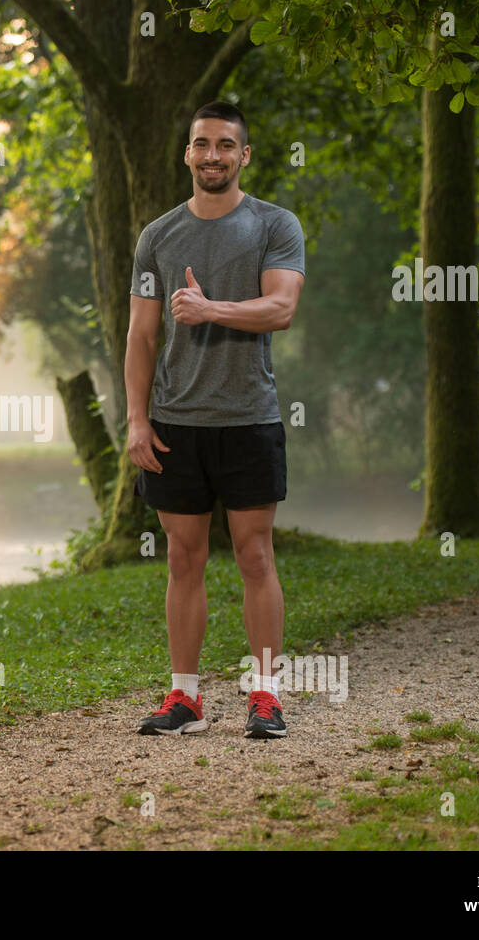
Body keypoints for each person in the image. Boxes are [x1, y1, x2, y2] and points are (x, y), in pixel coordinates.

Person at [126, 100, 305, 739]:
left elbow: (281, 308)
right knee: (183, 558)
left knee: (256, 556)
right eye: (202, 144)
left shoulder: (274, 225)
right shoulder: (158, 236)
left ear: (244, 155)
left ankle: (265, 696)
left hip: (249, 418)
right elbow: (142, 336)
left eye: (225, 145)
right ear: (187, 153)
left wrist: (211, 310)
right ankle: (186, 699)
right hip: (175, 422)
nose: (212, 156)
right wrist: (136, 420)